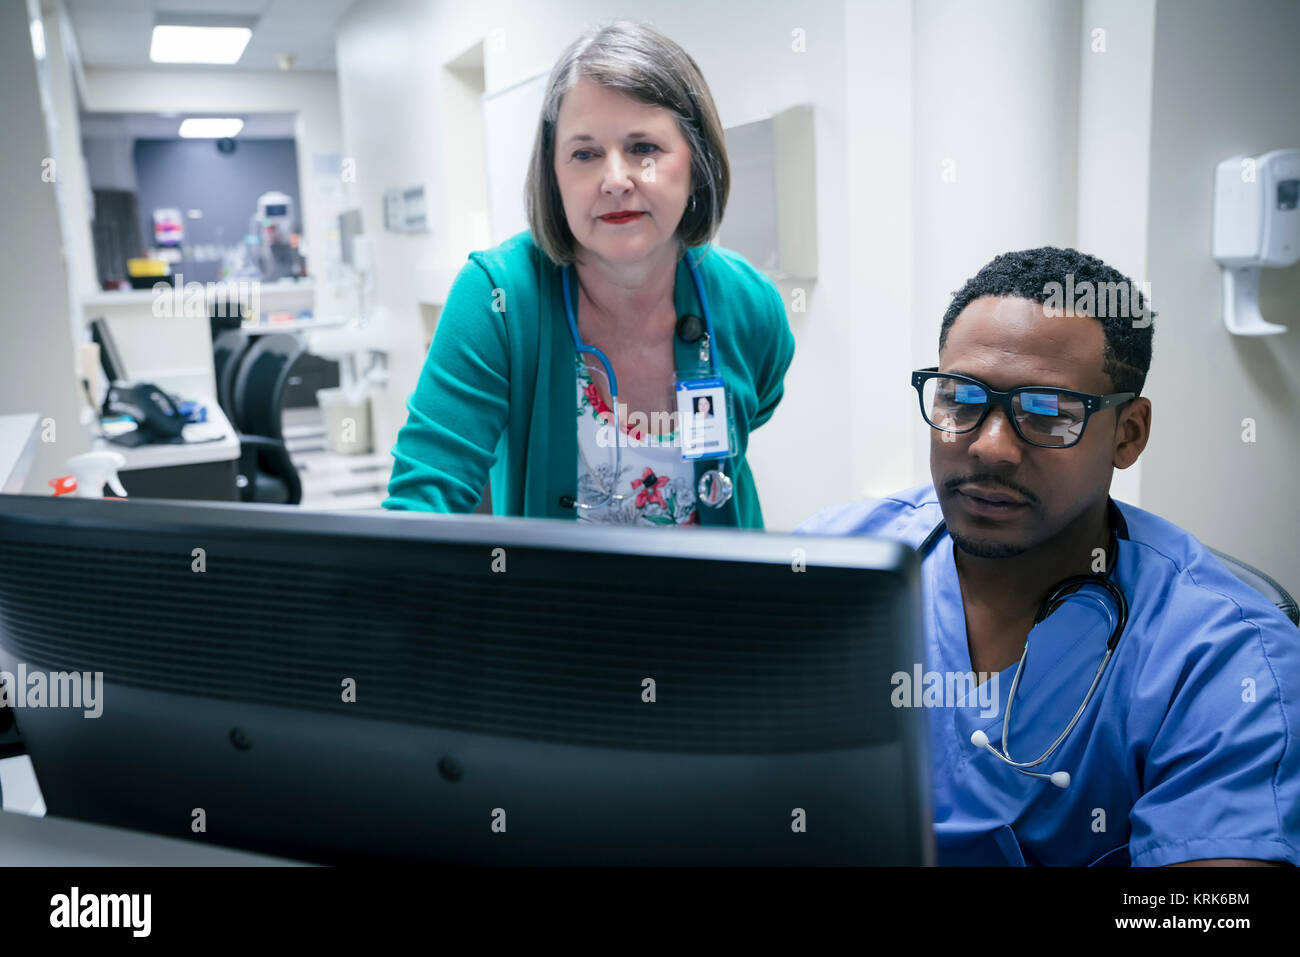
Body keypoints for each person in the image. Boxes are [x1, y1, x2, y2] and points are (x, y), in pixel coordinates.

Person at [796, 247, 1300, 866]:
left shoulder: (1220, 654)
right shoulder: (828, 562)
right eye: (960, 399)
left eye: (1046, 414)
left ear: (1128, 434)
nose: (990, 448)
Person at [384, 21, 795, 528]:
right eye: (585, 153)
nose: (615, 180)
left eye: (644, 148)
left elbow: (754, 410)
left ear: (697, 162)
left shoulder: (750, 305)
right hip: (557, 608)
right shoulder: (498, 299)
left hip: (720, 605)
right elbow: (420, 505)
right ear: (554, 176)